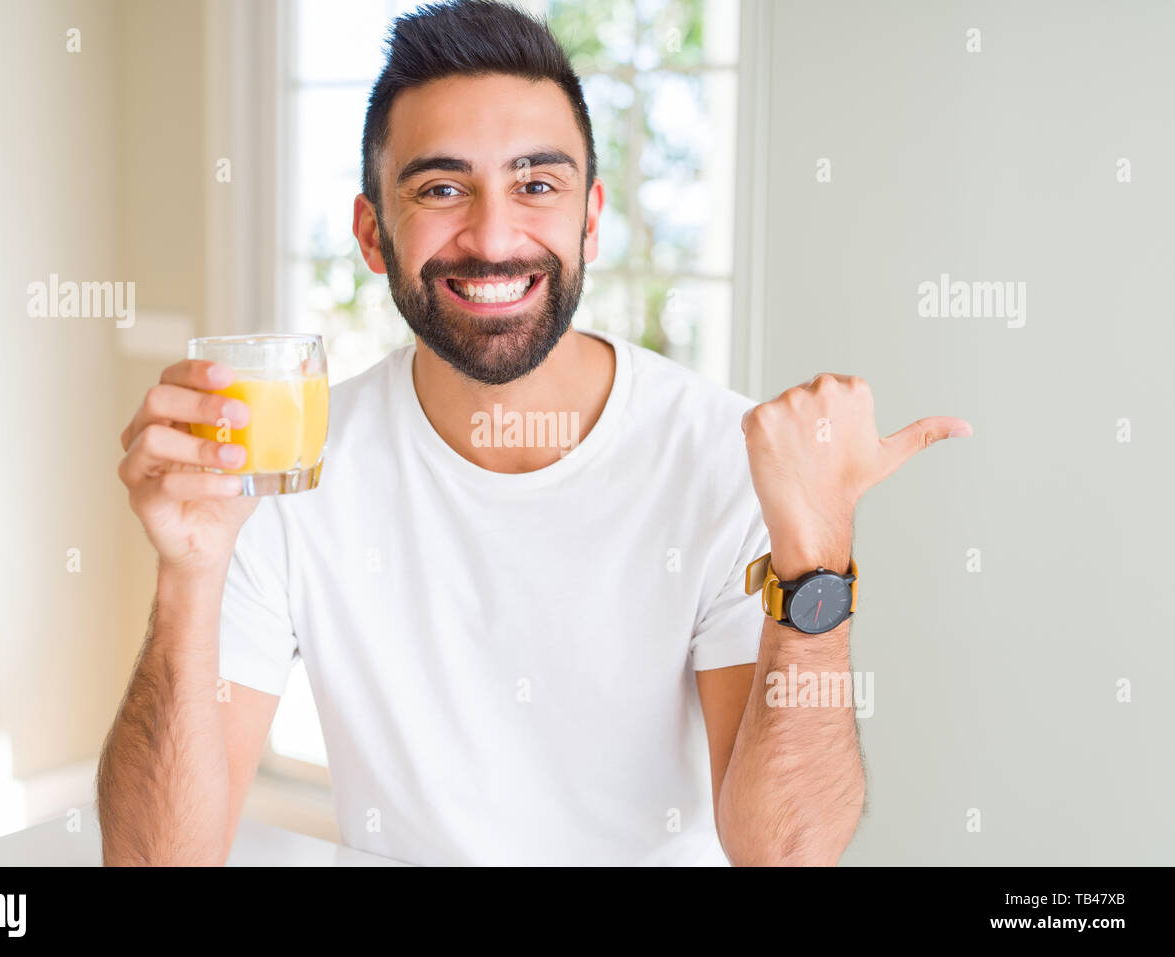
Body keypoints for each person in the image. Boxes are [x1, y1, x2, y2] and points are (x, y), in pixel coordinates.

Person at [97, 0, 970, 866]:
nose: (493, 235)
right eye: (442, 188)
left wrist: (815, 560)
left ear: (589, 218)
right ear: (373, 233)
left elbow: (787, 855)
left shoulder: (724, 458)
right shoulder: (287, 471)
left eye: (536, 184)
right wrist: (190, 573)